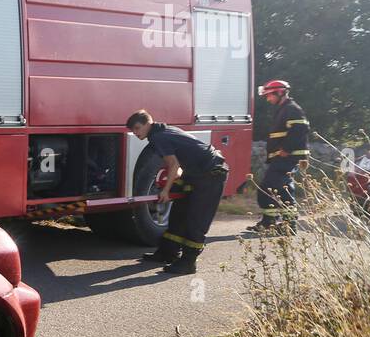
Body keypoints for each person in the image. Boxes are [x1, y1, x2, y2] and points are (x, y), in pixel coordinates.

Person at [127, 110, 229, 275]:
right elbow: (179, 166)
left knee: (196, 220)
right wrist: (175, 182)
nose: (136, 133)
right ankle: (168, 252)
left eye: (138, 128)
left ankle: (188, 263)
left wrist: (166, 191)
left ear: (148, 123)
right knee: (179, 213)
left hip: (211, 174)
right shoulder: (165, 131)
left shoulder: (158, 137)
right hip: (196, 173)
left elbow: (173, 165)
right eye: (133, 131)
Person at [244, 79, 310, 237]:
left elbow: (300, 129)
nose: (268, 99)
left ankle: (278, 224)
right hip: (282, 157)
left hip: (287, 157)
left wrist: (286, 149)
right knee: (279, 189)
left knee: (273, 188)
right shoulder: (284, 108)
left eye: (269, 95)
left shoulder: (292, 109)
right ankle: (278, 224)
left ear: (280, 93)